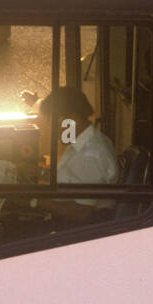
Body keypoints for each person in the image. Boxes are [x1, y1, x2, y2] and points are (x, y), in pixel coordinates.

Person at [36, 87, 119, 215]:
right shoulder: (80, 142)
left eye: (52, 121)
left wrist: (33, 201)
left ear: (72, 118)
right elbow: (70, 179)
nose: (51, 128)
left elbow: (81, 213)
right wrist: (39, 172)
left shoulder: (91, 154)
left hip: (80, 228)